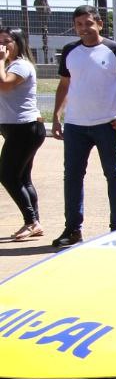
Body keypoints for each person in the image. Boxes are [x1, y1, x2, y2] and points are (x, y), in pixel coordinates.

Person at [50, 5, 116, 247]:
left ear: (99, 24)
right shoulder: (69, 51)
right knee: (72, 176)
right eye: (79, 24)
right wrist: (56, 115)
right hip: (75, 125)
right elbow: (64, 85)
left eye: (89, 23)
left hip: (108, 124)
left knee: (114, 174)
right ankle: (73, 229)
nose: (84, 28)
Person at [0, 27, 44, 239]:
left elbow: (4, 84)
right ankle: (35, 222)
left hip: (25, 128)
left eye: (7, 41)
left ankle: (31, 221)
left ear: (18, 43)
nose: (2, 45)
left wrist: (0, 59)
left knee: (7, 175)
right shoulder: (8, 65)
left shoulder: (21, 65)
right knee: (22, 178)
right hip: (16, 128)